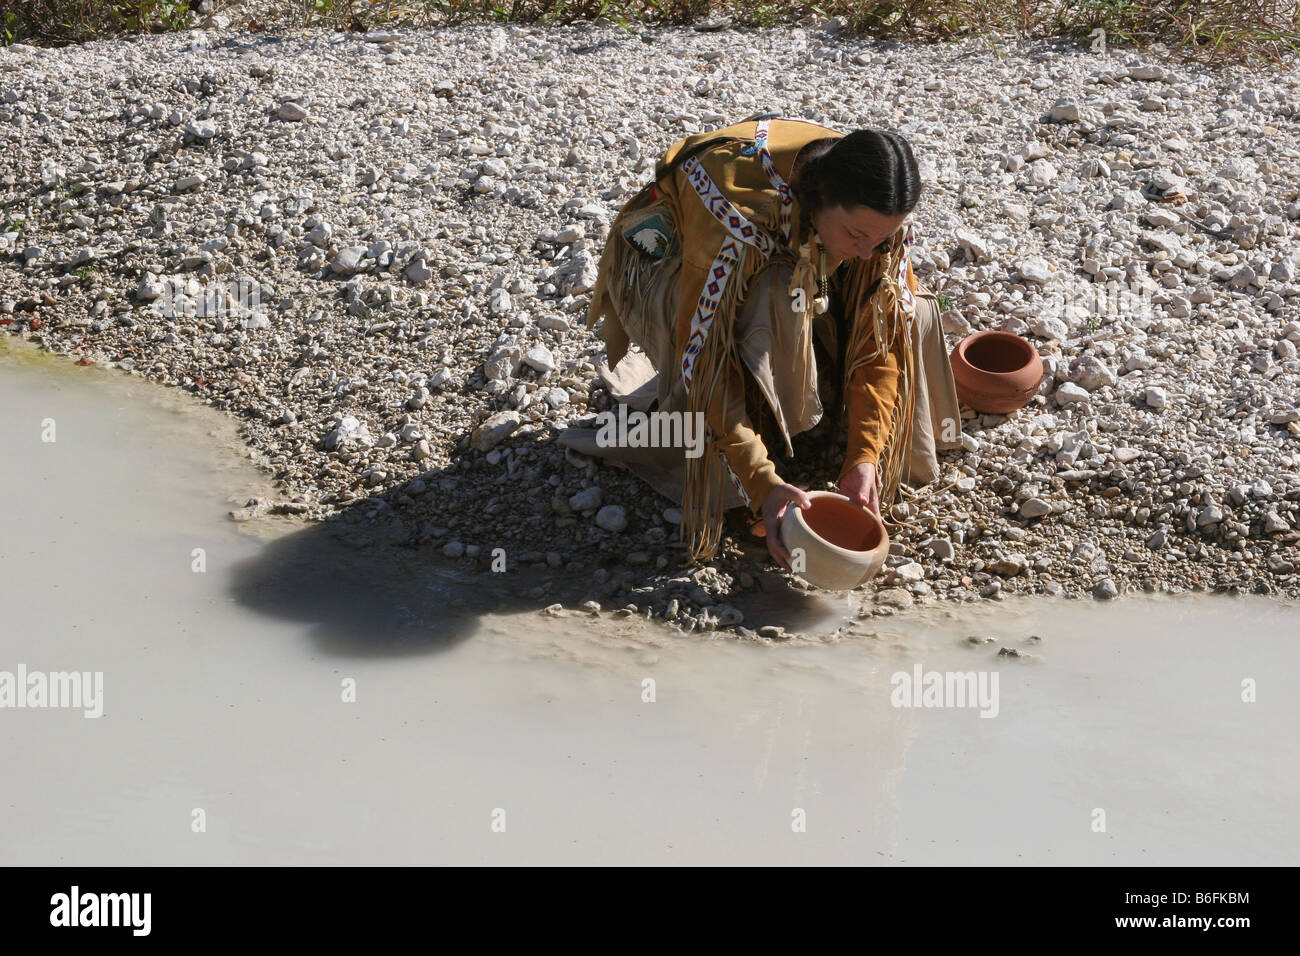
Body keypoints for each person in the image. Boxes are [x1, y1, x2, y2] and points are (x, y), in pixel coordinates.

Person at [564, 111, 961, 570]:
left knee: (913, 308)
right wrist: (761, 484)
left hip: (794, 248)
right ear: (820, 198)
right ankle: (734, 467)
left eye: (881, 237)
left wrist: (865, 456)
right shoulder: (735, 218)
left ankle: (823, 416)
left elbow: (883, 341)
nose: (868, 250)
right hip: (659, 261)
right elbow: (703, 361)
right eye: (856, 235)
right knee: (779, 297)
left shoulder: (878, 210)